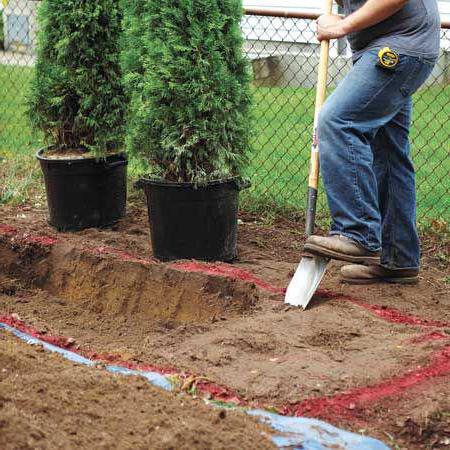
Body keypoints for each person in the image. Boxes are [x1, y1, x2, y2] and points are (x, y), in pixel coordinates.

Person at [304, 0, 441, 284]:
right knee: (389, 153)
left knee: (338, 120)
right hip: (392, 47)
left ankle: (358, 232)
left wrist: (341, 26)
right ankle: (399, 259)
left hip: (399, 46)